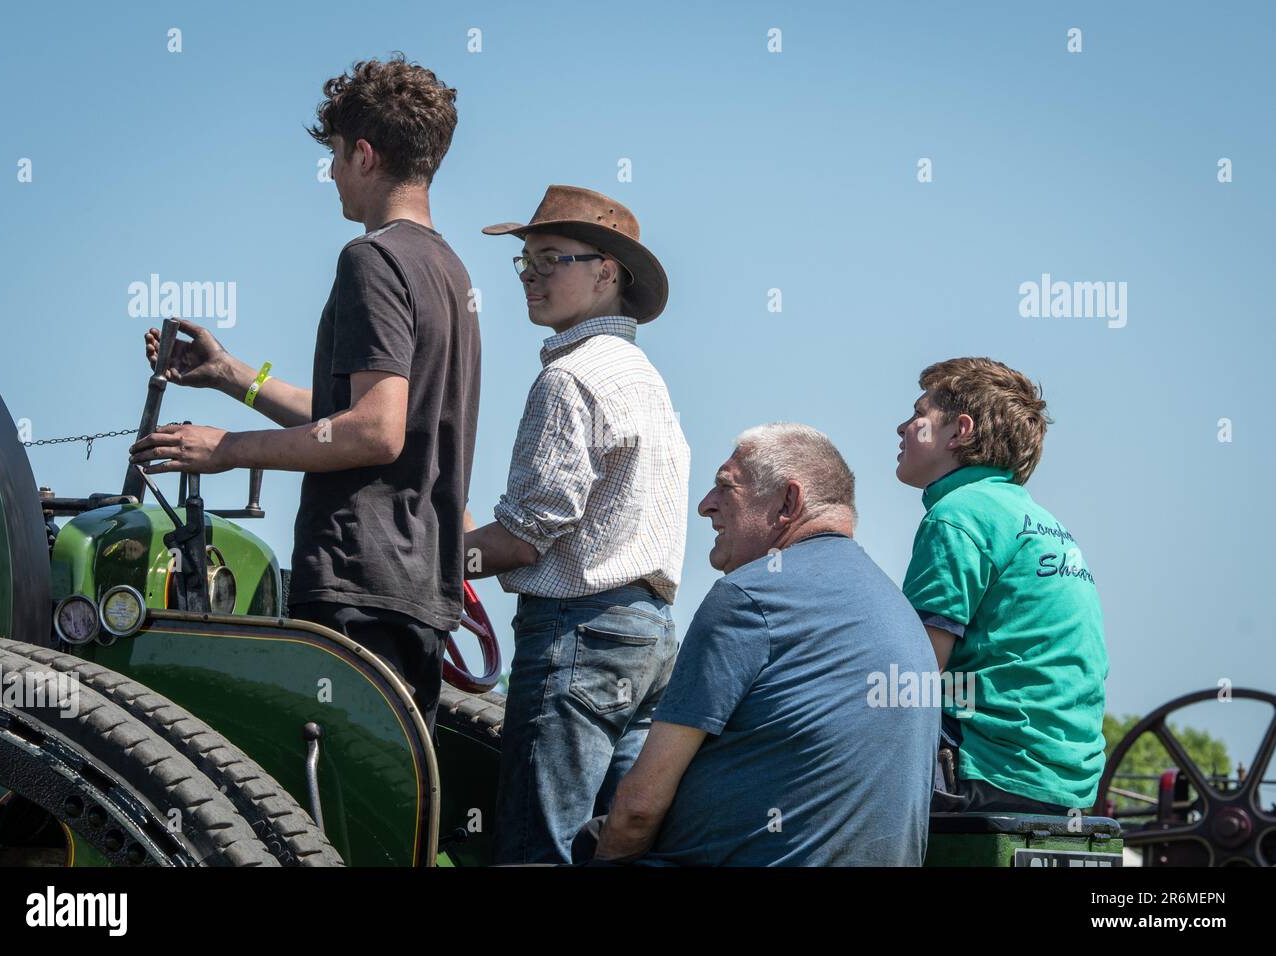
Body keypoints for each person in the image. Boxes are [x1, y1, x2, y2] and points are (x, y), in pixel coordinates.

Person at [129, 55, 480, 737]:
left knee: (324, 822)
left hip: (356, 583)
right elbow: (358, 421)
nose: (331, 174)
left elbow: (373, 431)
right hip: (414, 591)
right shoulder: (449, 270)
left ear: (365, 155)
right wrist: (235, 376)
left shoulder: (371, 259)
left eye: (336, 156)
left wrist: (226, 449)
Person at [586, 424, 940, 866]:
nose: (704, 506)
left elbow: (637, 811)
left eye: (725, 486)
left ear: (789, 503)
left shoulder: (749, 597)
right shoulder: (899, 611)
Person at [464, 185, 689, 864]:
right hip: (648, 636)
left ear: (606, 272)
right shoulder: (646, 379)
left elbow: (528, 532)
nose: (530, 275)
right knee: (615, 847)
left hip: (577, 633)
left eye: (550, 258)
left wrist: (427, 561)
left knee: (538, 847)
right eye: (525, 262)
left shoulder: (569, 379)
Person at [895, 357, 1107, 813]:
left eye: (917, 414)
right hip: (1066, 785)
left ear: (959, 431)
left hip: (984, 770)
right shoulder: (1043, 523)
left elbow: (915, 673)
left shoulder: (959, 515)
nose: (902, 427)